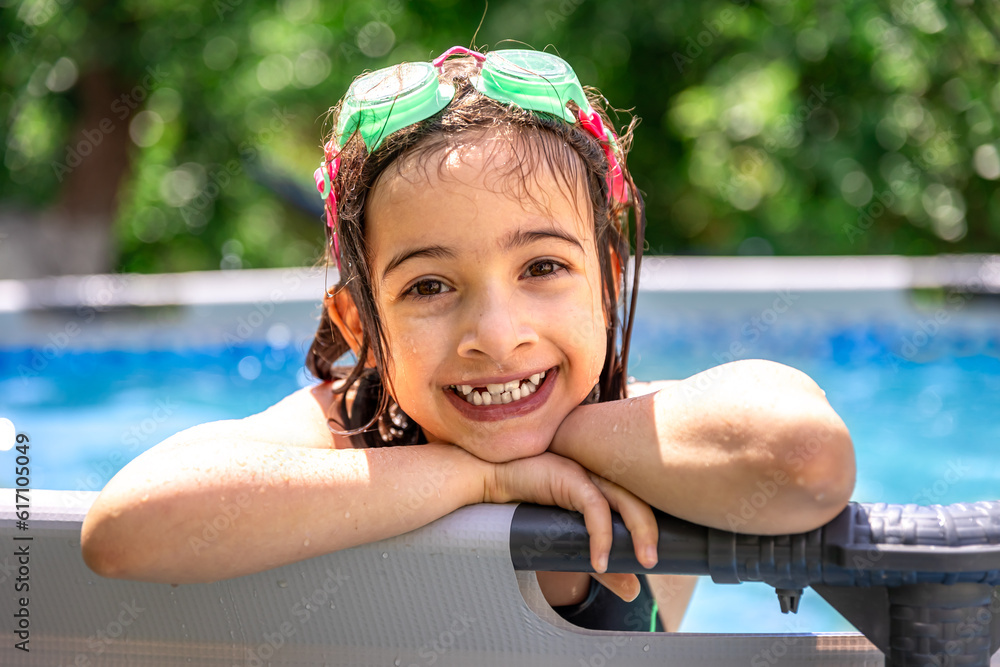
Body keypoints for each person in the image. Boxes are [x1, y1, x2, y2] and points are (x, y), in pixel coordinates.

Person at [80, 46, 855, 632]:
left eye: (542, 266)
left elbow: (803, 458)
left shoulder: (651, 439)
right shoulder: (346, 433)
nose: (495, 335)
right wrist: (478, 479)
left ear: (608, 283)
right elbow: (124, 530)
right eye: (428, 286)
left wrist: (575, 437)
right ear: (362, 327)